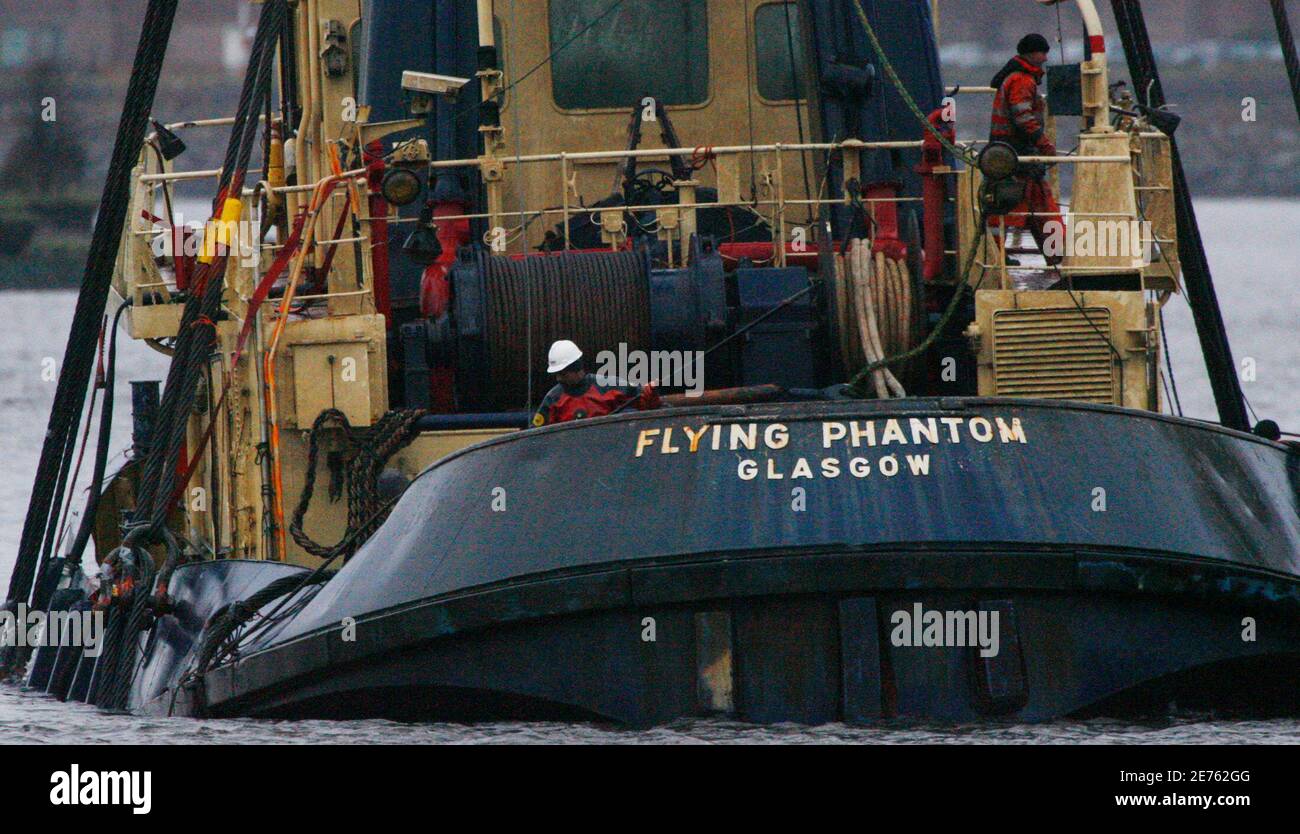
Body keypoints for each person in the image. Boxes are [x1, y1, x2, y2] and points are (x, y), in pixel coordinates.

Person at [989, 33, 1063, 263]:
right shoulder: (1022, 80)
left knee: (1014, 205)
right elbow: (1023, 117)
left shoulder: (1013, 77)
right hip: (1017, 153)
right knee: (1027, 205)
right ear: (1033, 54)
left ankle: (999, 255)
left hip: (1007, 153)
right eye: (1043, 52)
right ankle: (1058, 254)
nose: (1045, 57)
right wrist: (1045, 144)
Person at [531, 339, 661, 427]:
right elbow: (535, 434)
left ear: (576, 368)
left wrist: (650, 394)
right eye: (556, 374)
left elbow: (645, 404)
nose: (558, 379)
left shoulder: (607, 386)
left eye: (562, 373)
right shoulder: (553, 399)